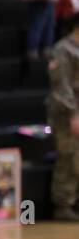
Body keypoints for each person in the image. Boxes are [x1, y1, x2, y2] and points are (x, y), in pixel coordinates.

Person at [46, 18, 79, 221]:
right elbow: (61, 87)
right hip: (66, 114)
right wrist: (73, 114)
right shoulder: (63, 49)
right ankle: (63, 204)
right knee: (68, 157)